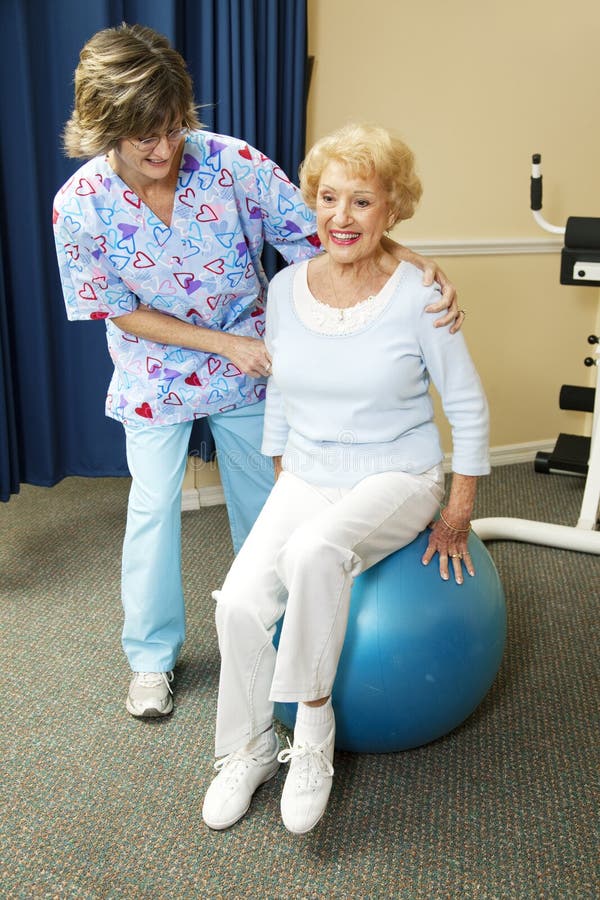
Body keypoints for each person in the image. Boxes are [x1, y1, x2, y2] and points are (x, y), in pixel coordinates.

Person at [53, 24, 462, 720]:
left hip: (251, 363)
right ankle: (151, 660)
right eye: (142, 136)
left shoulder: (229, 163)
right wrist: (219, 343)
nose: (162, 149)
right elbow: (117, 311)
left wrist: (410, 262)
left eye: (172, 127)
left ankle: (268, 631)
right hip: (158, 371)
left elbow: (322, 230)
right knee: (151, 511)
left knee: (267, 504)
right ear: (103, 128)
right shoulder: (80, 204)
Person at [202, 123, 489, 835]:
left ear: (393, 210)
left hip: (400, 472)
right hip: (309, 472)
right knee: (239, 601)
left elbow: (467, 405)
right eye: (329, 198)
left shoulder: (422, 292)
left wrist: (457, 511)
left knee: (315, 553)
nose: (341, 216)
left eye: (362, 201)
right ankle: (249, 747)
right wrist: (282, 476)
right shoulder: (287, 286)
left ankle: (312, 736)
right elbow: (282, 395)